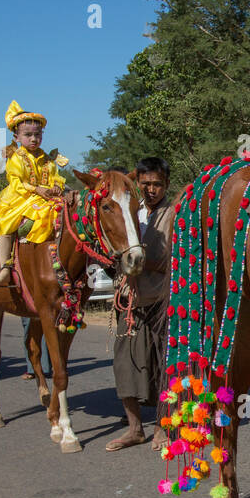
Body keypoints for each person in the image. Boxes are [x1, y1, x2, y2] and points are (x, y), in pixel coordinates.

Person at [106, 157, 176, 452]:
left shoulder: (173, 214)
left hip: (162, 299)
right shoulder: (128, 210)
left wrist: (143, 263)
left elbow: (175, 257)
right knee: (125, 363)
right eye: (145, 184)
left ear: (165, 186)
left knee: (163, 365)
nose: (150, 190)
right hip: (130, 301)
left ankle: (162, 427)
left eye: (157, 184)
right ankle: (135, 428)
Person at [0, 101, 67, 286]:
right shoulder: (16, 157)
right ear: (16, 137)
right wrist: (36, 189)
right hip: (21, 197)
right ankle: (5, 268)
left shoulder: (47, 159)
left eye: (37, 135)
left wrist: (56, 186)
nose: (33, 139)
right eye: (28, 135)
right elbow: (16, 181)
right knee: (7, 225)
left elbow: (56, 177)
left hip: (48, 197)